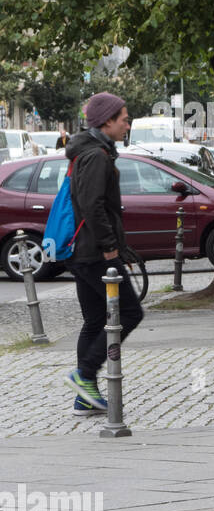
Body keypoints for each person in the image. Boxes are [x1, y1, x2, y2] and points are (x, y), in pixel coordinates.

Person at [63, 93, 146, 415]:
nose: (128, 124)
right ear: (107, 120)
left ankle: (84, 398)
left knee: (95, 320)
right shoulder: (96, 155)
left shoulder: (87, 151)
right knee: (131, 313)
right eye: (124, 118)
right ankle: (84, 376)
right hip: (96, 253)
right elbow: (92, 205)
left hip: (82, 250)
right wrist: (110, 246)